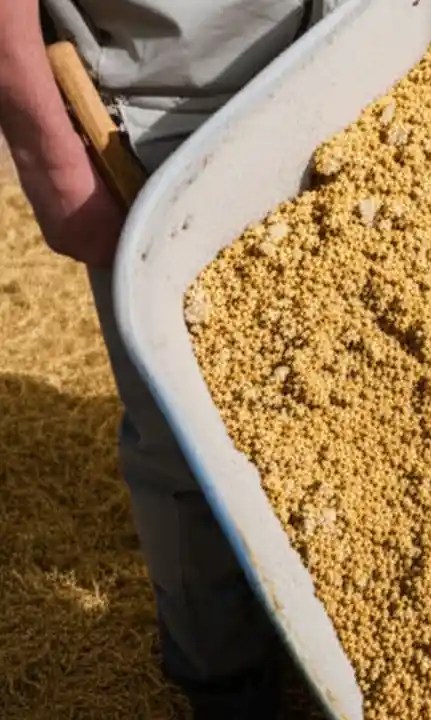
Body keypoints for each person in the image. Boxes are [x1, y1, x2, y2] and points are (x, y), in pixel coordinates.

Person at [0, 2, 344, 717]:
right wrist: (48, 156)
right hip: (171, 109)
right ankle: (225, 678)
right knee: (190, 439)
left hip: (366, 49)